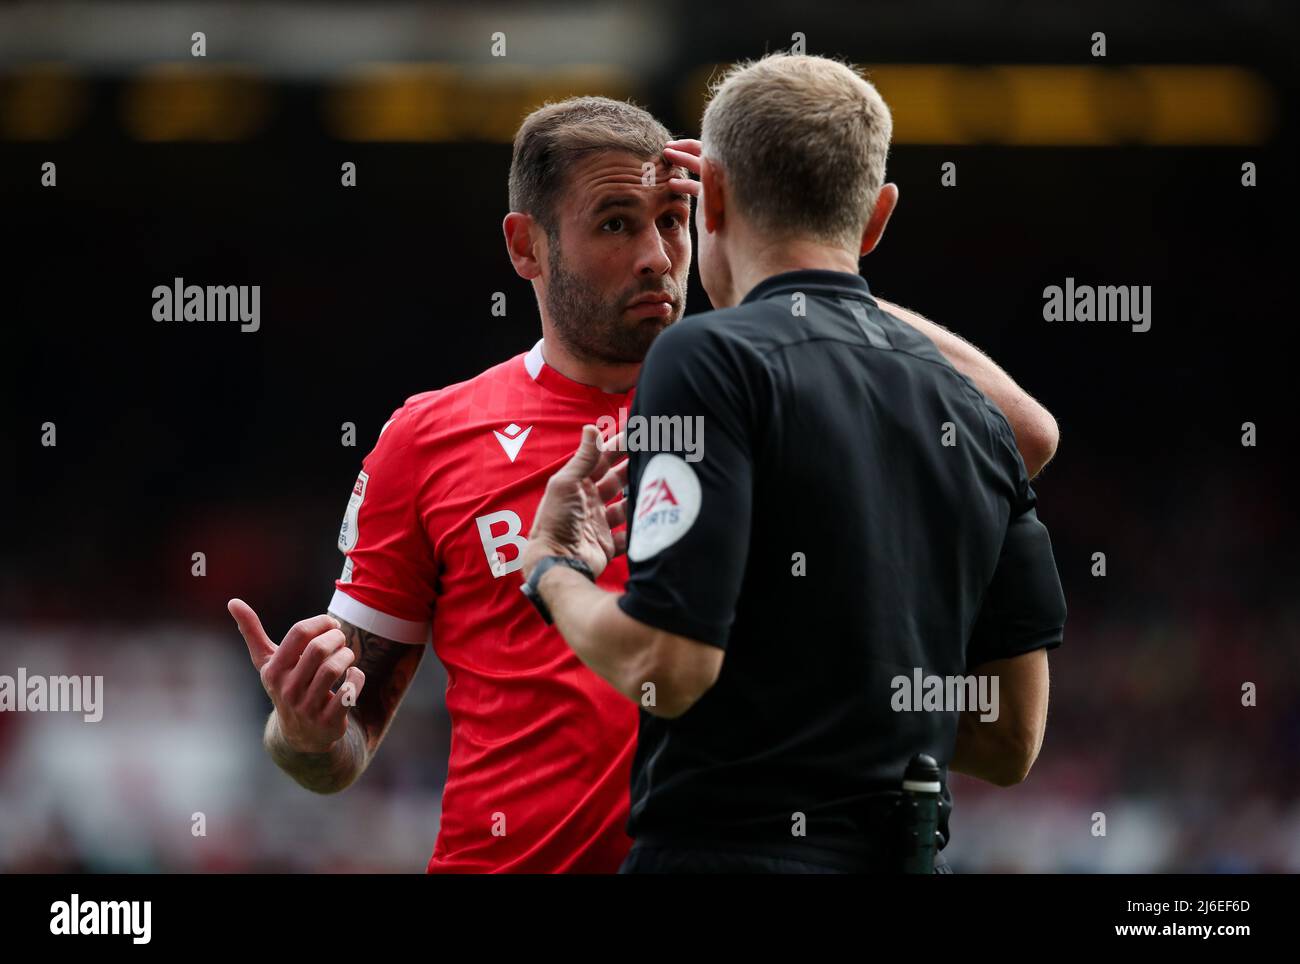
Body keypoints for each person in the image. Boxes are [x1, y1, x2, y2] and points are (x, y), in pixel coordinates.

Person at [230, 93, 1058, 873]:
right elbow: (340, 749)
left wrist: (810, 278)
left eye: (674, 218)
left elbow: (1021, 436)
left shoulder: (777, 391)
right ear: (525, 245)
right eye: (617, 224)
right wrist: (303, 732)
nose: (658, 257)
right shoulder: (430, 437)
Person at [521, 56, 1067, 874]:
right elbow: (1008, 737)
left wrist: (554, 571)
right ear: (877, 220)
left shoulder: (704, 359)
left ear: (710, 198)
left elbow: (666, 668)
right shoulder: (970, 410)